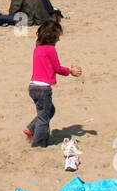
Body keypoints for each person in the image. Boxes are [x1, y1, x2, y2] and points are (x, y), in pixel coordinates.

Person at [24, 18, 82, 148]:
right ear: (53, 37)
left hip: (33, 86)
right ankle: (38, 145)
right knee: (44, 118)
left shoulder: (37, 48)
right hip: (43, 88)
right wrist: (70, 71)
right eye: (57, 37)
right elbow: (57, 68)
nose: (59, 40)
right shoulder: (50, 49)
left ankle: (31, 129)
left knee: (49, 110)